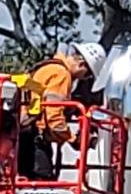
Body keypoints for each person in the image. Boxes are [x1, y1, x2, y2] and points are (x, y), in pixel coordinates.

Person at [19, 41, 106, 179]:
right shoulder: (61, 74)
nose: (85, 79)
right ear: (82, 65)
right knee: (41, 189)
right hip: (33, 141)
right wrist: (73, 139)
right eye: (87, 75)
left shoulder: (51, 68)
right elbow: (53, 117)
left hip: (24, 135)